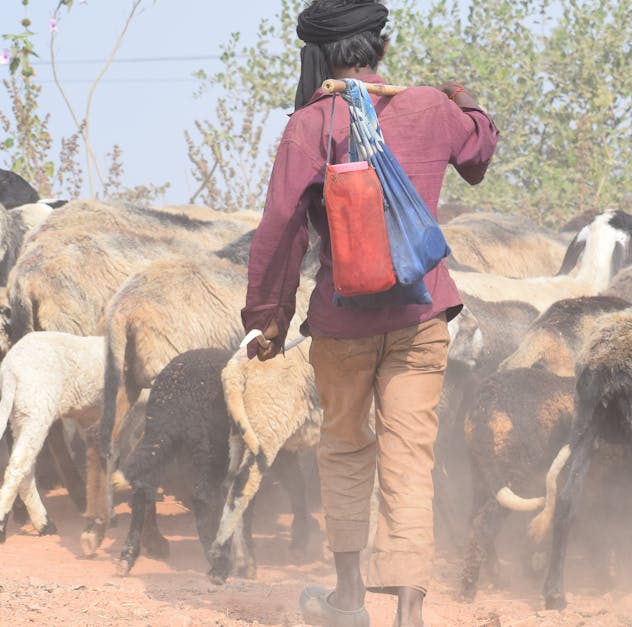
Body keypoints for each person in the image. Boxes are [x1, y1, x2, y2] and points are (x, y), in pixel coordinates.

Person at [240, 1, 499, 625]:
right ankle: (409, 612)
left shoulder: (311, 122)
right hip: (421, 318)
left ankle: (350, 598)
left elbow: (282, 227)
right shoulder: (430, 108)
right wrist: (461, 95)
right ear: (379, 48)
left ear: (320, 55)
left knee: (346, 450)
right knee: (411, 457)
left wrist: (268, 316)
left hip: (342, 323)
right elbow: (480, 153)